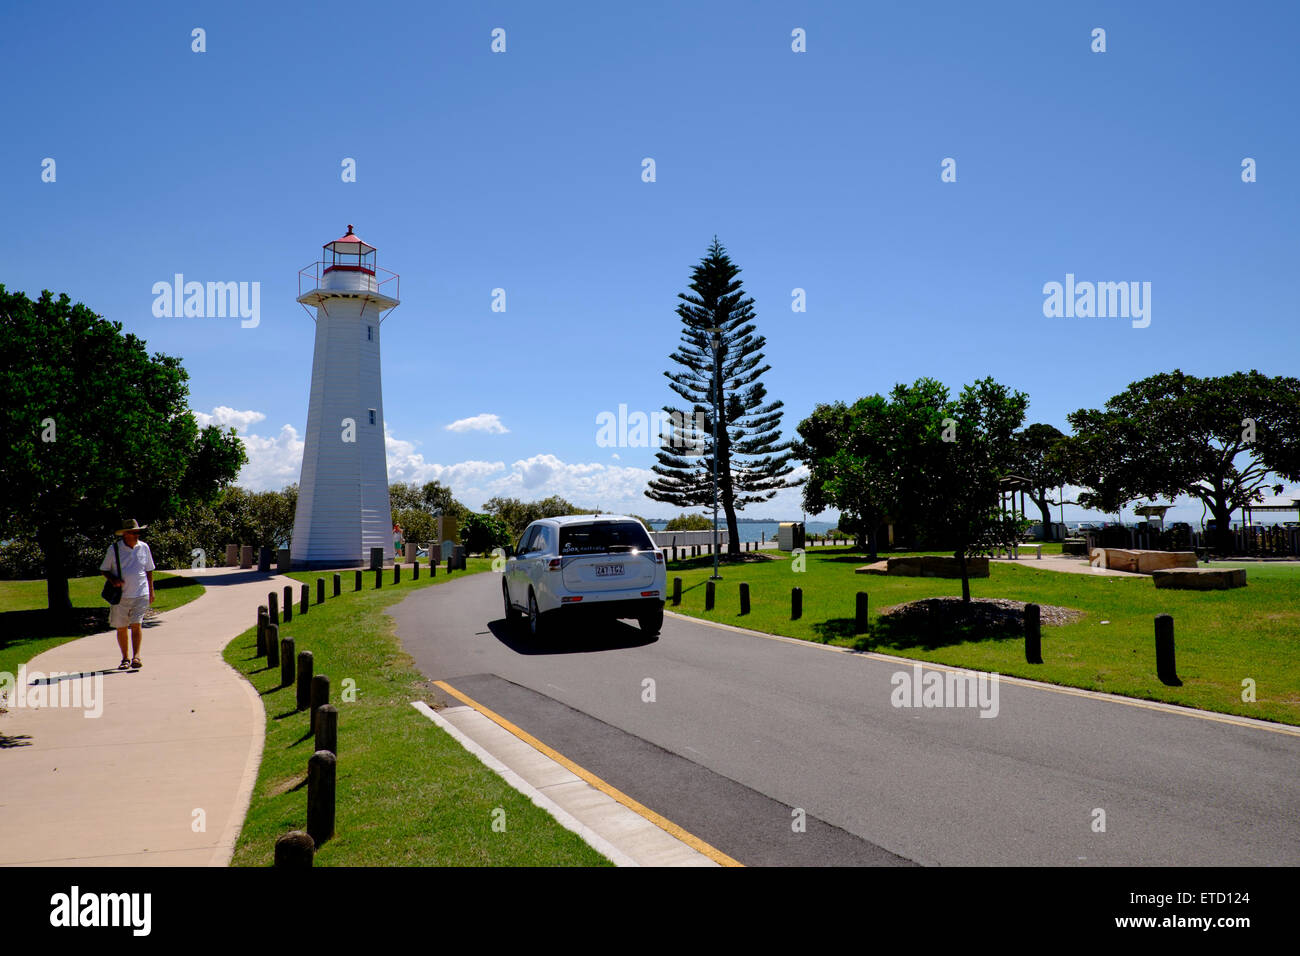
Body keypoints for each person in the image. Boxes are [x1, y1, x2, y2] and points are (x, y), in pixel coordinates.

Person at [100, 519, 155, 670]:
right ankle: (125, 658)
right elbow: (104, 569)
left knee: (136, 624)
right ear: (125, 534)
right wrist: (113, 579)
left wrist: (151, 590)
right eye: (133, 532)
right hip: (121, 596)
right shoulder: (114, 549)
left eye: (138, 532)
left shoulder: (144, 547)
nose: (137, 535)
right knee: (121, 627)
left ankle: (136, 656)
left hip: (140, 593)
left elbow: (149, 570)